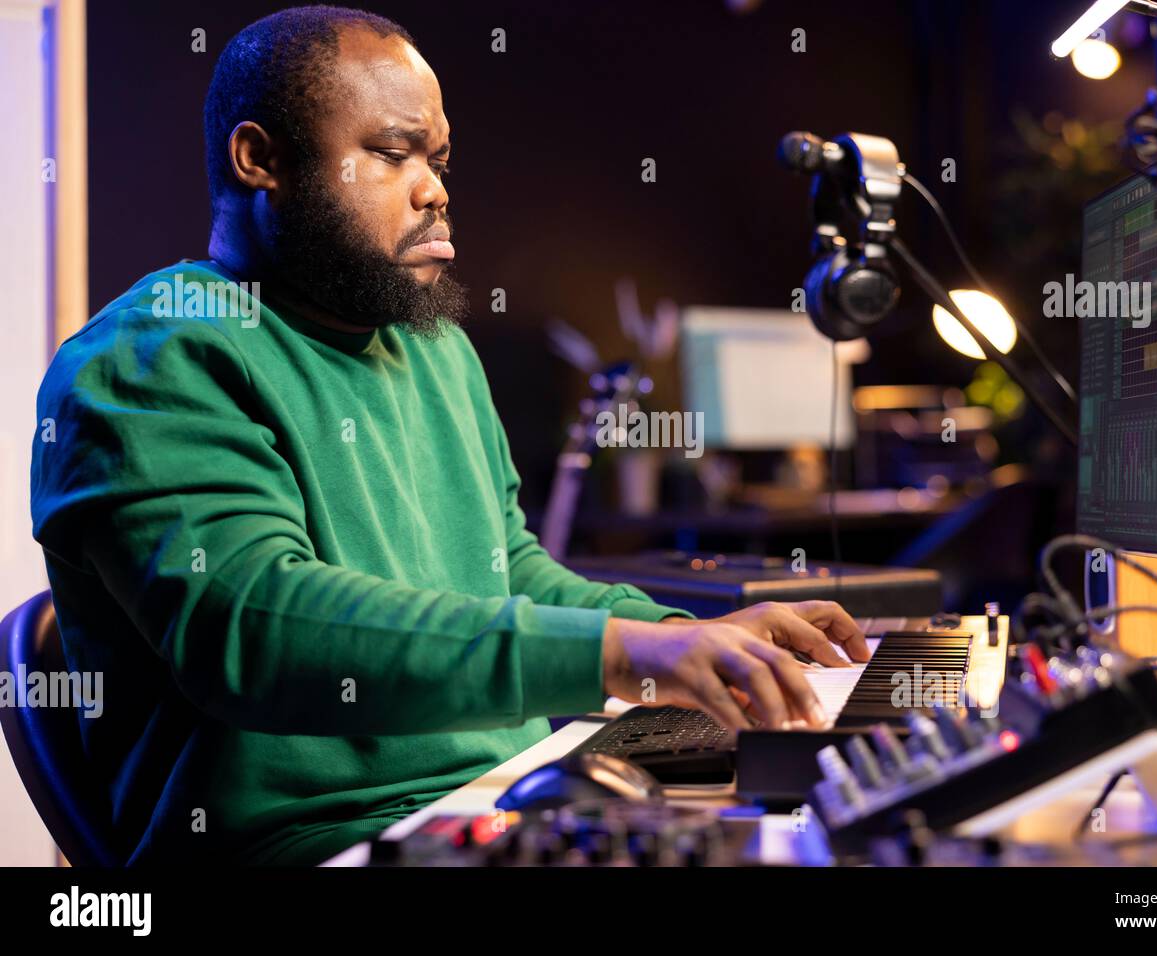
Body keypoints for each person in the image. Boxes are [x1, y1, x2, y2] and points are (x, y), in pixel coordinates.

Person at [30, 5, 868, 866]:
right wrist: (618, 654)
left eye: (437, 159)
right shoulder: (148, 360)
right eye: (393, 155)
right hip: (308, 843)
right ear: (261, 160)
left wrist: (689, 640)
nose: (434, 187)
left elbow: (510, 569)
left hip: (494, 804)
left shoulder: (435, 349)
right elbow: (250, 625)